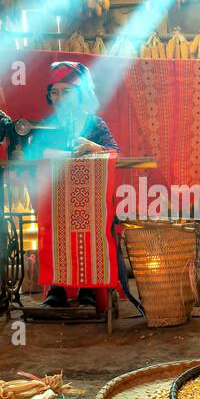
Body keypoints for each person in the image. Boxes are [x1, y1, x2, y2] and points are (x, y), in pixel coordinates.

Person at [22, 61, 119, 308]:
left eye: (66, 92)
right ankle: (57, 288)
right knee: (51, 232)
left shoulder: (95, 125)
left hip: (88, 198)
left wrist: (94, 147)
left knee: (90, 231)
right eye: (54, 92)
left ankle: (88, 288)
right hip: (55, 197)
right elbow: (30, 157)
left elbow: (116, 152)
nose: (59, 98)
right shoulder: (45, 126)